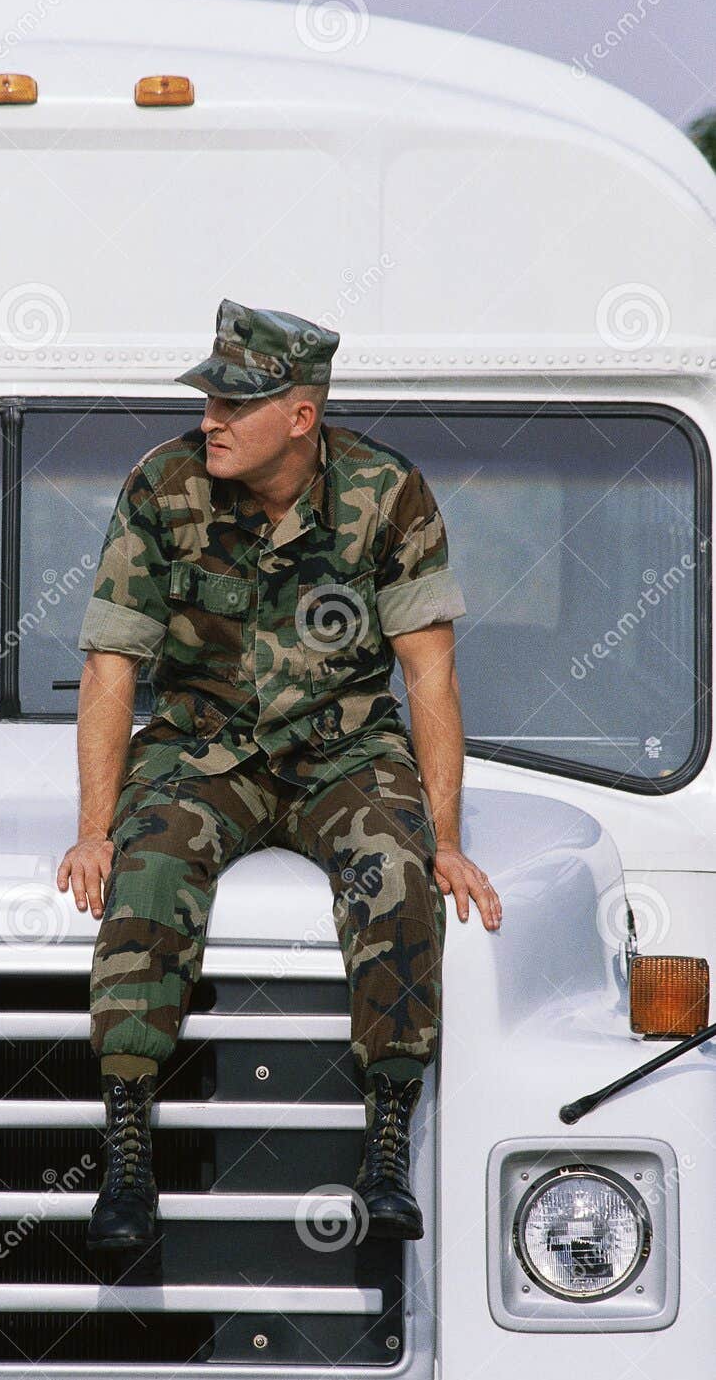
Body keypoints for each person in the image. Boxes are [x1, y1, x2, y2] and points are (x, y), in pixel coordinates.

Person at [57, 298, 502, 1251]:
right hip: (201, 746)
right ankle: (127, 1155)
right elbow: (110, 664)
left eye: (235, 403)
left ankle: (387, 1141)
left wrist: (447, 838)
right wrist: (96, 829)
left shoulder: (386, 493)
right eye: (208, 398)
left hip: (340, 751)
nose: (210, 419)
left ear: (301, 416)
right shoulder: (164, 485)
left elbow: (429, 672)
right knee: (151, 863)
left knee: (396, 865)